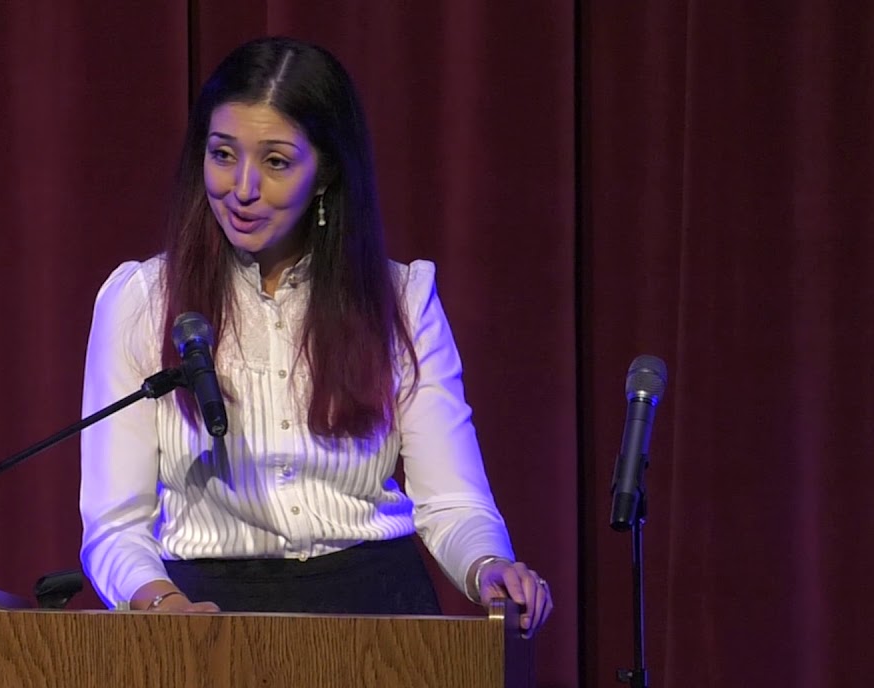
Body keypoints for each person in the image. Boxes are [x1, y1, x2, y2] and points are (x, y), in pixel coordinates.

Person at [79, 36, 552, 634]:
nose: (242, 187)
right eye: (222, 154)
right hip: (201, 615)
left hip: (378, 616)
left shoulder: (402, 300)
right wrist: (161, 604)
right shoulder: (141, 301)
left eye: (276, 162)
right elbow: (114, 525)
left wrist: (488, 565)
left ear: (325, 171)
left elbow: (452, 501)